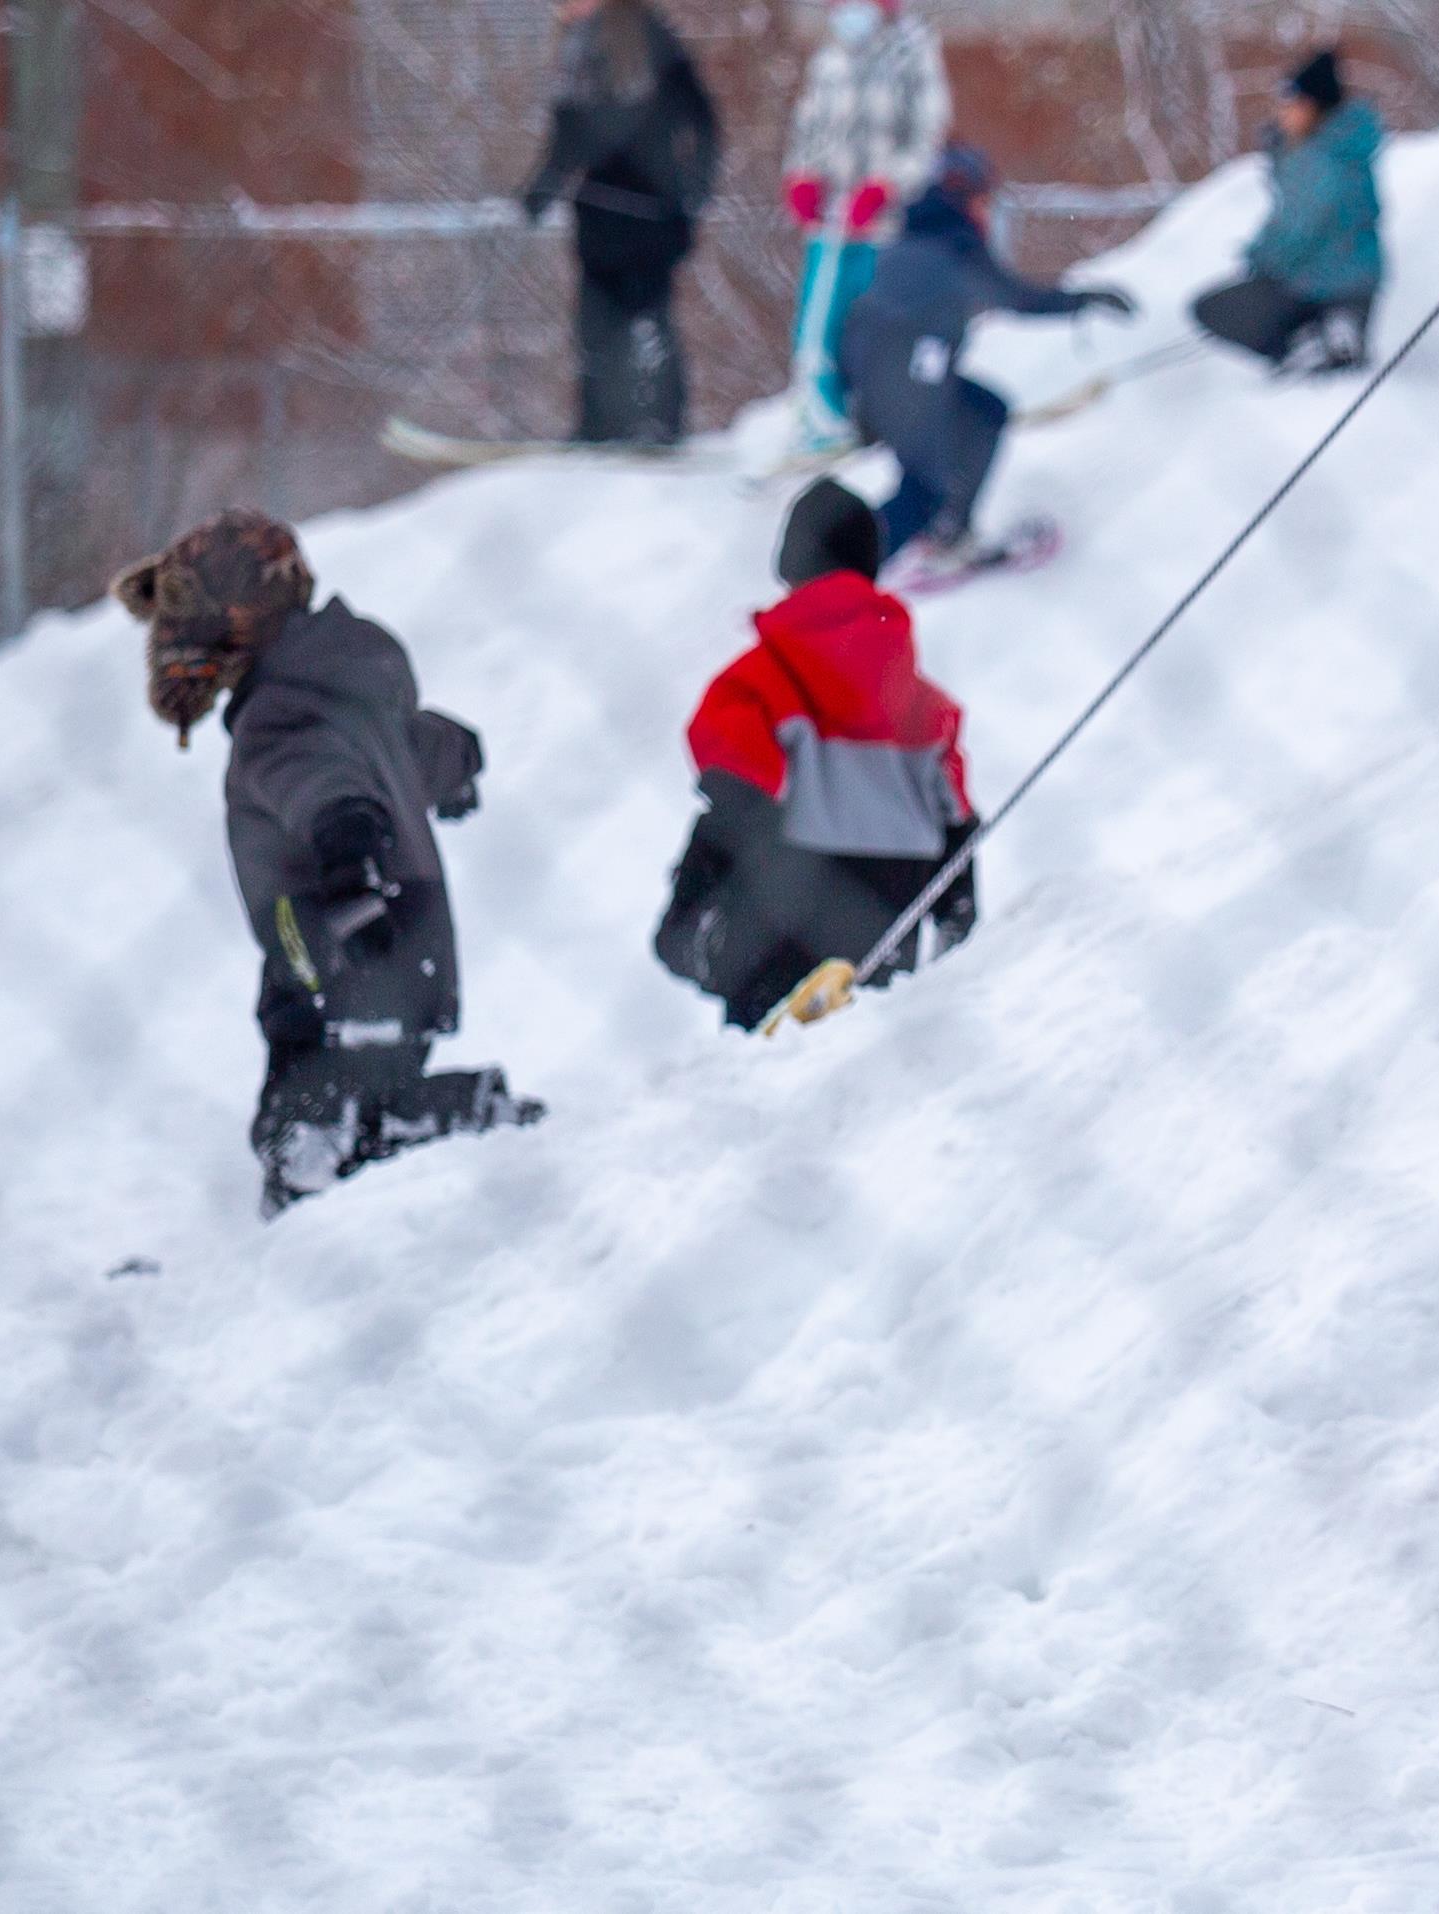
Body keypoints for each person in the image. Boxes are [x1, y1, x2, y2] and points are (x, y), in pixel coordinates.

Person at [114, 512, 544, 1218]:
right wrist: (457, 764)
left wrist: (351, 864)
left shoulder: (278, 718)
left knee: (306, 1140)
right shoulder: (348, 687)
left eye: (186, 613)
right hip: (400, 935)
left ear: (240, 614)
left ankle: (468, 1117)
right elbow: (423, 747)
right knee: (340, 1122)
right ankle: (441, 1130)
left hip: (337, 945)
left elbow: (329, 793)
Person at [655, 479, 982, 1032]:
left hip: (786, 898)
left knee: (768, 1051)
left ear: (790, 565)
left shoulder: (757, 682)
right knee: (870, 1045)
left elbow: (732, 791)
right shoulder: (922, 704)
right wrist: (955, 907)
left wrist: (686, 913)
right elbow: (957, 819)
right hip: (892, 899)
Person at [839, 146, 1136, 566]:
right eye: (985, 200)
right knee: (921, 490)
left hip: (887, 379)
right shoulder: (951, 246)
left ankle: (946, 535)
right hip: (909, 380)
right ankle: (845, 581)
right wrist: (1084, 300)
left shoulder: (914, 239)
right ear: (967, 197)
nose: (987, 212)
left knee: (986, 411)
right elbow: (1017, 299)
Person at [521, 0, 720, 445]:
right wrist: (540, 191)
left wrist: (696, 185)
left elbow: (699, 115)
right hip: (598, 219)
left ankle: (660, 424)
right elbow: (567, 142)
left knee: (649, 319)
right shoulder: (575, 53)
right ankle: (597, 425)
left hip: (652, 212)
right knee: (594, 325)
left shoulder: (649, 37)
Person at [779, 0, 953, 450]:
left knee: (873, 336)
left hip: (887, 229)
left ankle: (877, 427)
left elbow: (926, 138)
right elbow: (809, 128)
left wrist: (883, 186)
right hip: (832, 226)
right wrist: (802, 176)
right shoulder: (831, 56)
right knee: (816, 332)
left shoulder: (913, 52)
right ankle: (822, 427)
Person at [1191, 49, 1385, 377]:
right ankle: (1333, 329)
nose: (1282, 113)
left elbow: (1298, 226)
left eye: (1289, 104)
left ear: (1312, 106)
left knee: (1211, 308)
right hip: (1356, 279)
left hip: (1315, 280)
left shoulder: (1317, 158)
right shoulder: (1342, 145)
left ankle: (1307, 346)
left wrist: (1261, 261)